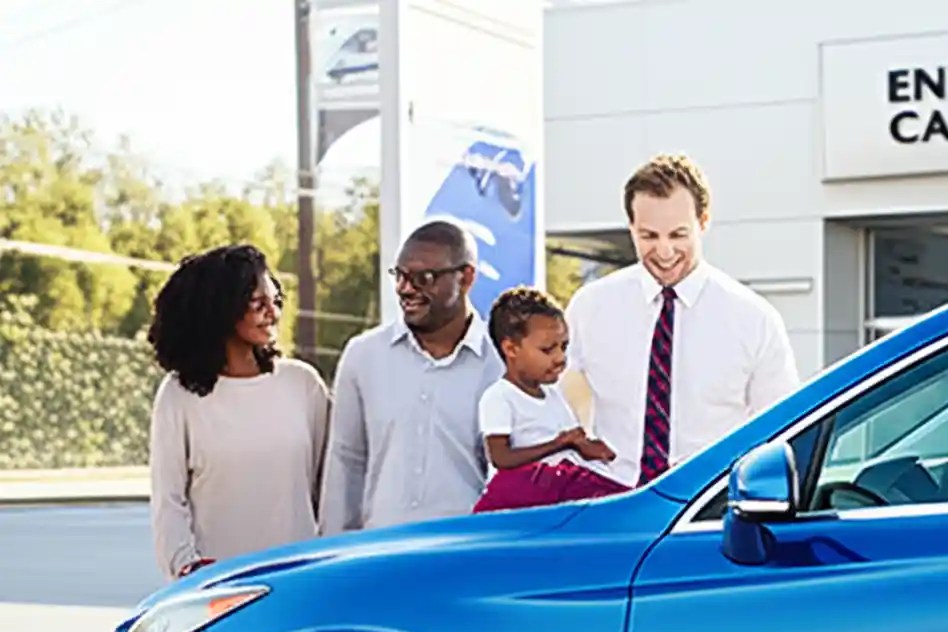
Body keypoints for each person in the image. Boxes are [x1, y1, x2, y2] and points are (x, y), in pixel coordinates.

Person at [561, 153, 801, 487]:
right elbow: (547, 401)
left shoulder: (754, 319)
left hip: (707, 509)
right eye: (648, 236)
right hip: (611, 503)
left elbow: (781, 431)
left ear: (703, 222)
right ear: (630, 226)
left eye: (677, 235)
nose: (663, 251)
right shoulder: (590, 307)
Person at [146, 244, 329, 580]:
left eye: (276, 302)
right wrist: (187, 569)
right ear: (222, 309)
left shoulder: (303, 384)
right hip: (219, 589)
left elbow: (330, 490)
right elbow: (168, 502)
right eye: (258, 304)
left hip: (302, 581)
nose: (272, 313)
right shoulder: (178, 395)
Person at [318, 219, 504, 534]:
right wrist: (332, 552)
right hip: (380, 556)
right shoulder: (364, 355)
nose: (406, 289)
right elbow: (346, 461)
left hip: (468, 557)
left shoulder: (500, 363)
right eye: (401, 275)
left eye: (423, 278)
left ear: (466, 277)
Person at [472, 287, 628, 513]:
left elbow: (571, 443)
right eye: (548, 350)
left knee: (622, 499)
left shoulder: (555, 394)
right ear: (511, 348)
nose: (560, 359)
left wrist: (589, 447)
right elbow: (501, 458)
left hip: (558, 492)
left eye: (564, 347)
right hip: (522, 495)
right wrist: (558, 444)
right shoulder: (500, 397)